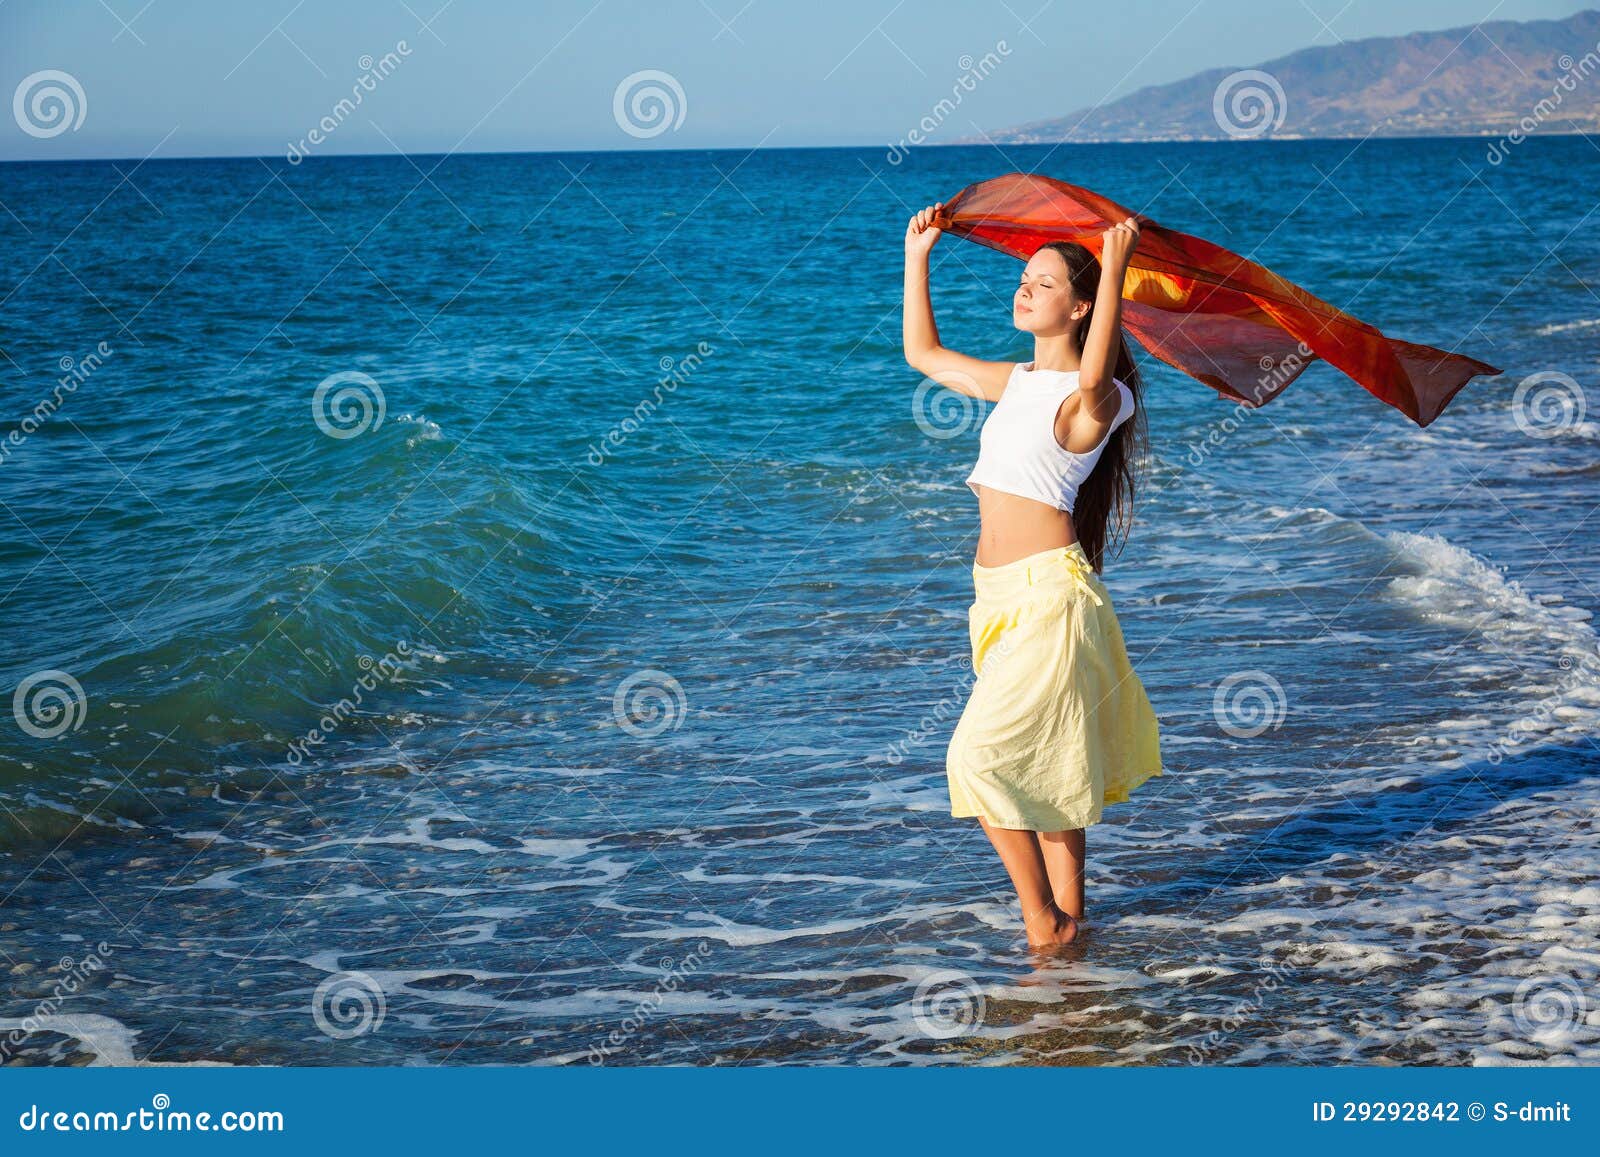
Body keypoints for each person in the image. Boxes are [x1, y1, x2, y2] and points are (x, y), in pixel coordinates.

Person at [902, 200, 1164, 951]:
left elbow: (1090, 379)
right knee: (1050, 767)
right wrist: (918, 255)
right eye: (1023, 278)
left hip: (1052, 599)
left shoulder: (1102, 400)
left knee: (977, 758)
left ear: (1080, 307)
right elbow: (925, 355)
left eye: (1043, 283)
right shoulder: (1015, 381)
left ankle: (1040, 920)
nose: (1024, 289)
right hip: (996, 602)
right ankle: (1073, 932)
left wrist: (1114, 268)